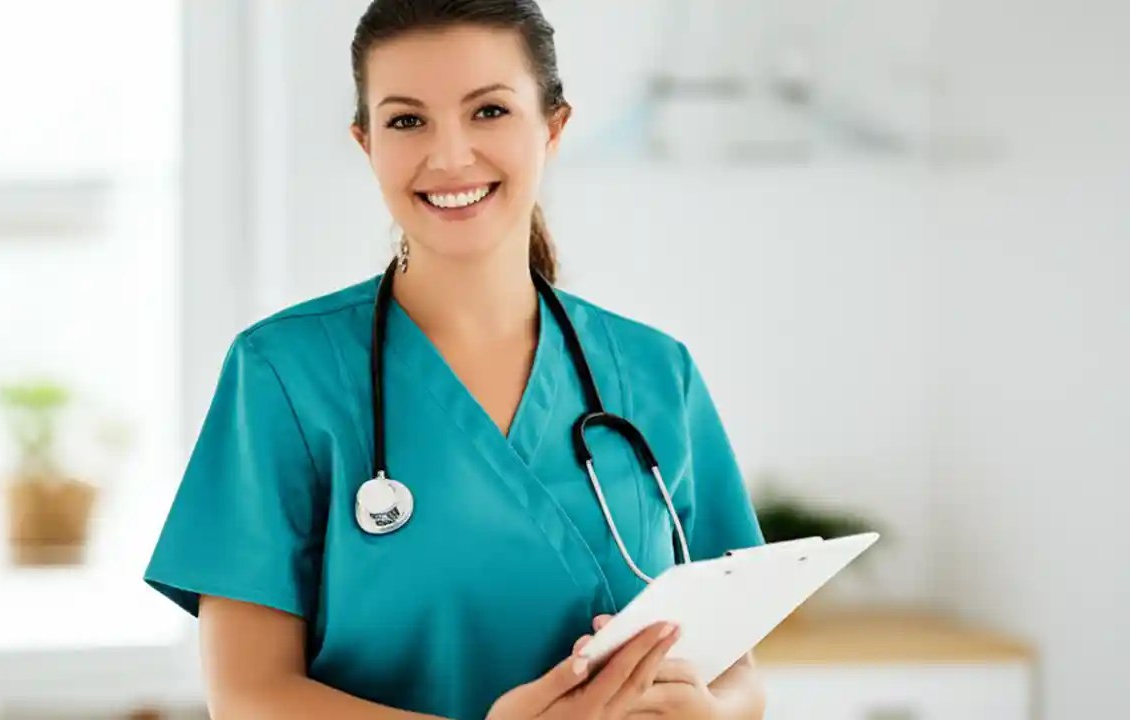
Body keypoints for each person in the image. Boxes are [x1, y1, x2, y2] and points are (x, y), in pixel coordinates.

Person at [144, 1, 768, 718]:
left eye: (489, 111)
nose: (448, 156)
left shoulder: (656, 373)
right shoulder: (283, 375)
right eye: (407, 121)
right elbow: (249, 696)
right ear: (366, 143)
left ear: (553, 127)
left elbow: (739, 673)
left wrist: (714, 712)